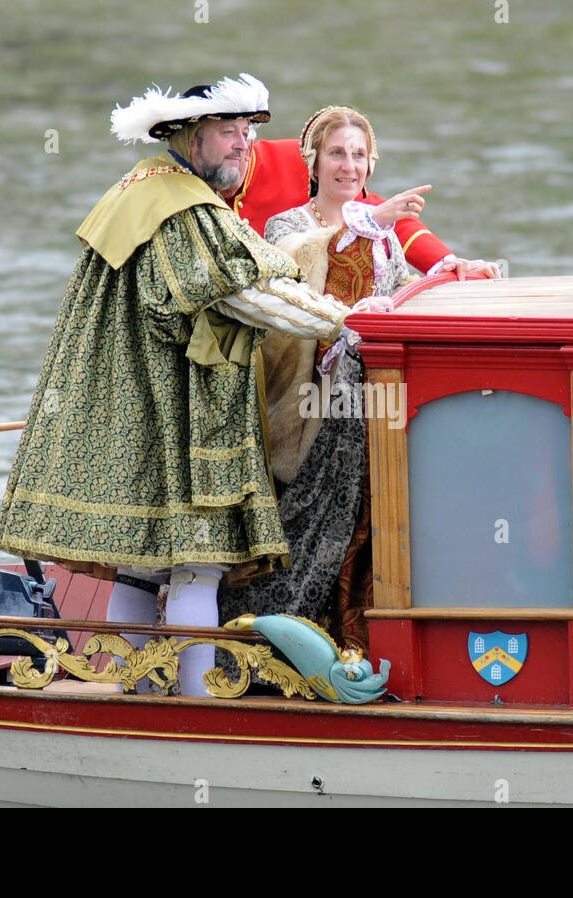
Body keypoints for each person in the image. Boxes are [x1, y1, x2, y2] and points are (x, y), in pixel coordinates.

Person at [0, 74, 362, 695]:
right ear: (187, 135)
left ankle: (140, 695)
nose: (243, 146)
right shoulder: (181, 207)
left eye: (248, 134)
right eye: (228, 132)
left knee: (139, 571)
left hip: (129, 407)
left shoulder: (139, 189)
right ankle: (192, 703)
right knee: (196, 569)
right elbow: (255, 295)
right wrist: (351, 322)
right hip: (173, 415)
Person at [218, 106, 415, 653]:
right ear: (314, 161)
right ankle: (269, 645)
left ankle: (368, 640)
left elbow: (403, 296)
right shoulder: (288, 226)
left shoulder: (385, 237)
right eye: (336, 153)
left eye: (358, 155)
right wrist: (364, 226)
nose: (347, 166)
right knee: (312, 519)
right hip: (311, 402)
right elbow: (296, 274)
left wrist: (452, 273)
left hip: (375, 401)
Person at [222, 127, 501, 280]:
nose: (235, 149)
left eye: (239, 135)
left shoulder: (295, 159)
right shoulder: (183, 182)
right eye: (223, 136)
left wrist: (444, 261)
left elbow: (375, 211)